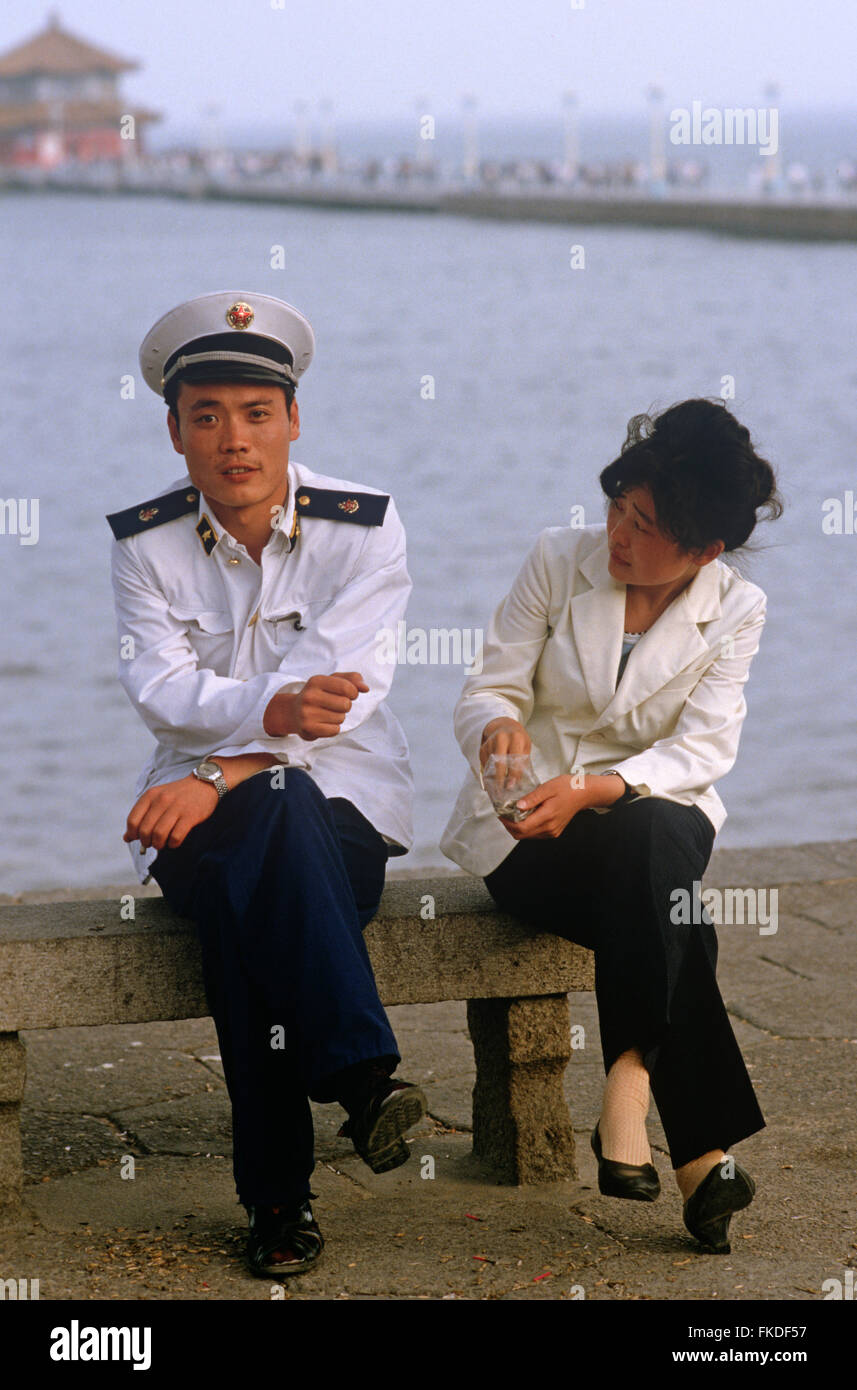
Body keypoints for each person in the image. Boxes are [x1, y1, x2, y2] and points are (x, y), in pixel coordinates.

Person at [106, 291, 426, 1278]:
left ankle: (279, 1202)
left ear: (293, 419)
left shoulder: (361, 527)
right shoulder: (143, 541)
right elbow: (161, 690)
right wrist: (257, 731)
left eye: (254, 412)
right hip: (195, 829)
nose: (233, 439)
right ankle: (362, 1078)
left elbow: (341, 700)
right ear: (174, 429)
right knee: (266, 852)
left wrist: (224, 765)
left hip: (345, 817)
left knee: (267, 868)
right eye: (206, 415)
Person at [441, 399, 783, 1254]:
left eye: (645, 526)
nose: (618, 537)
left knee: (653, 832)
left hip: (649, 822)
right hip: (530, 838)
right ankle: (700, 1156)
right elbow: (487, 687)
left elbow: (701, 749)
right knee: (676, 920)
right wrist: (496, 730)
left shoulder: (736, 608)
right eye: (617, 510)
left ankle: (627, 1082)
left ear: (703, 550)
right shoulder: (558, 561)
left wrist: (595, 786)